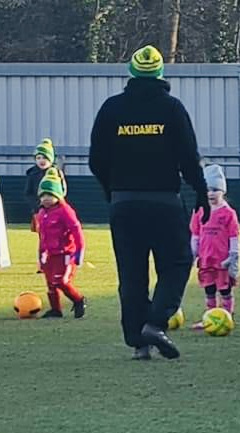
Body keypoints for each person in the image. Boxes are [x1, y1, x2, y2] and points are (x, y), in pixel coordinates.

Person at [87, 45, 209, 361]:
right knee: (177, 262)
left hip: (124, 204)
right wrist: (200, 190)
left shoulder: (111, 109)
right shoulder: (172, 109)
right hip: (165, 202)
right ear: (160, 74)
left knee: (132, 274)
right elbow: (188, 157)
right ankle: (155, 323)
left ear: (131, 73)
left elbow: (96, 159)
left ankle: (137, 340)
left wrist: (112, 190)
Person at [189, 164, 240, 328]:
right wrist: (193, 253)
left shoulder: (228, 213)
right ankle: (209, 317)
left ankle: (227, 316)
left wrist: (232, 256)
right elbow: (195, 234)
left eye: (214, 189)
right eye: (207, 189)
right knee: (209, 289)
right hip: (206, 259)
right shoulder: (199, 211)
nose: (211, 193)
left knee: (224, 290)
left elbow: (234, 236)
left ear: (223, 191)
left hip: (222, 260)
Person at [32, 171, 86, 319]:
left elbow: (76, 230)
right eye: (43, 196)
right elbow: (42, 236)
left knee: (61, 281)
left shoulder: (65, 211)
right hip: (50, 254)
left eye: (50, 195)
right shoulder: (42, 213)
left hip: (66, 254)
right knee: (50, 283)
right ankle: (56, 310)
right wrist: (41, 254)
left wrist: (79, 251)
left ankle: (78, 300)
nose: (46, 199)